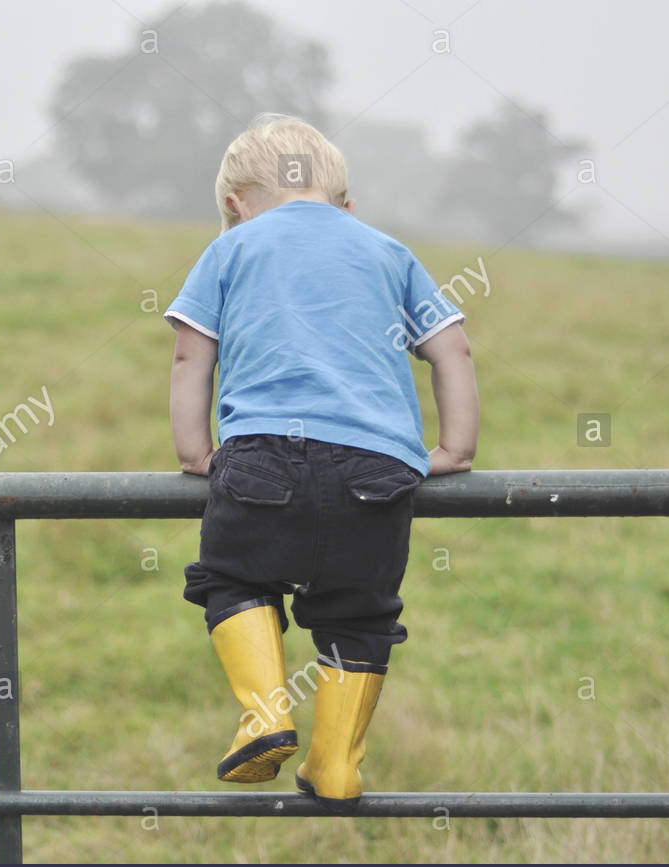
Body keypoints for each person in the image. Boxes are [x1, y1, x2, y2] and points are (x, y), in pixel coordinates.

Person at [165, 114, 479, 810]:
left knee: (229, 576)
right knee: (360, 615)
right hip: (378, 470)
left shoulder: (232, 249)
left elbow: (192, 354)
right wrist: (455, 448)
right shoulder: (389, 251)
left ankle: (266, 714)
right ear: (347, 205)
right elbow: (451, 347)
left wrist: (195, 452)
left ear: (233, 205)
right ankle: (336, 762)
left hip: (260, 458)